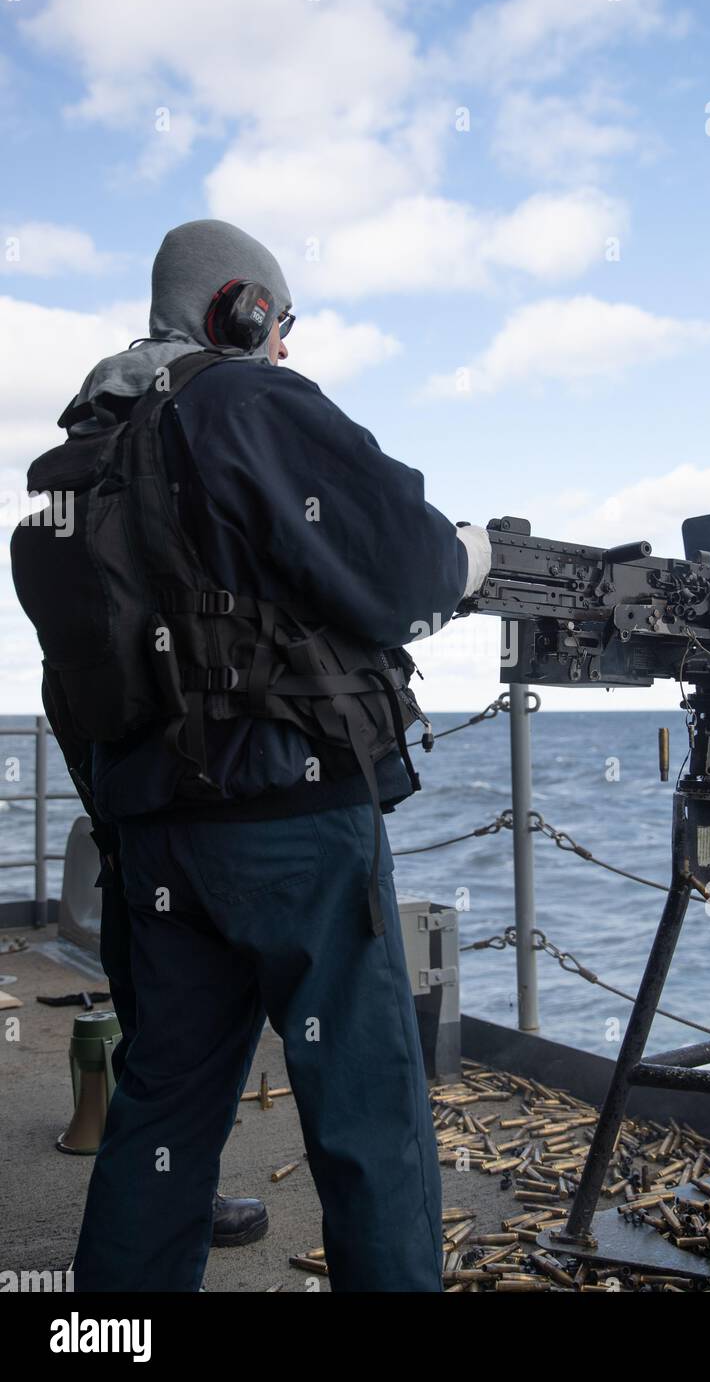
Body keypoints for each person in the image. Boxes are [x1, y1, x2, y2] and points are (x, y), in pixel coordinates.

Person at [42, 219, 490, 1292]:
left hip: (151, 838)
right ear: (240, 308)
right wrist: (466, 557)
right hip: (288, 828)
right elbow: (399, 566)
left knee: (161, 1118)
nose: (284, 345)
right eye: (279, 322)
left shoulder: (89, 449)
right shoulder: (245, 400)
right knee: (366, 1115)